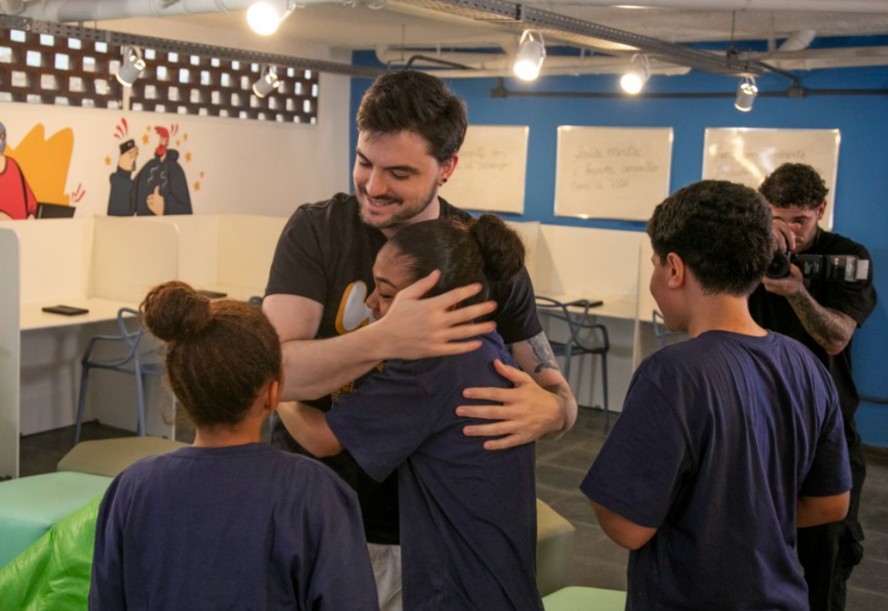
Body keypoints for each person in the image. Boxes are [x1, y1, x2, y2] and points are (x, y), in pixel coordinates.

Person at [263, 70, 576, 608]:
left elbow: (552, 386)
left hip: (420, 538)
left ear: (447, 168)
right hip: (310, 507)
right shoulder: (317, 230)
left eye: (400, 172)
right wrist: (387, 338)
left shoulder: (479, 255)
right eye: (365, 162)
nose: (374, 185)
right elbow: (273, 369)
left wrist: (555, 412)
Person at [581, 180, 852, 609]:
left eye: (655, 264)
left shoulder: (671, 373)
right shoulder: (807, 365)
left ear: (674, 268)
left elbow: (628, 526)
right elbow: (832, 503)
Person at [278, 215, 543, 610]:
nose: (371, 303)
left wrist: (274, 386)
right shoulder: (482, 343)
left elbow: (321, 438)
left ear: (438, 299)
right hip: (499, 580)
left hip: (461, 591)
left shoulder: (433, 367)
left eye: (385, 294)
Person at [89, 281, 377, 610]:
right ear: (272, 394)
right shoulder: (317, 493)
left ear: (182, 390)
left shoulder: (132, 487)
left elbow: (106, 601)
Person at [751, 162, 877, 611]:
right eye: (777, 219)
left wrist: (795, 292)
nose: (789, 233)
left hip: (826, 427)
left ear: (821, 210)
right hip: (758, 424)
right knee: (753, 548)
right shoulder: (750, 255)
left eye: (800, 220)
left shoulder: (849, 257)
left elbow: (837, 337)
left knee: (826, 554)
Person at [107, 126, 193, 216]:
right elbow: (118, 218)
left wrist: (165, 207)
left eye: (163, 138)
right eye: (160, 138)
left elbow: (187, 213)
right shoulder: (148, 167)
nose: (161, 141)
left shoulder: (175, 169)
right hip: (142, 229)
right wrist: (123, 173)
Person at [0, 121, 37, 220]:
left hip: (20, 232)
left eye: (1, 137)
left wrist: (30, 220)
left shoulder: (12, 165)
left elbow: (31, 205)